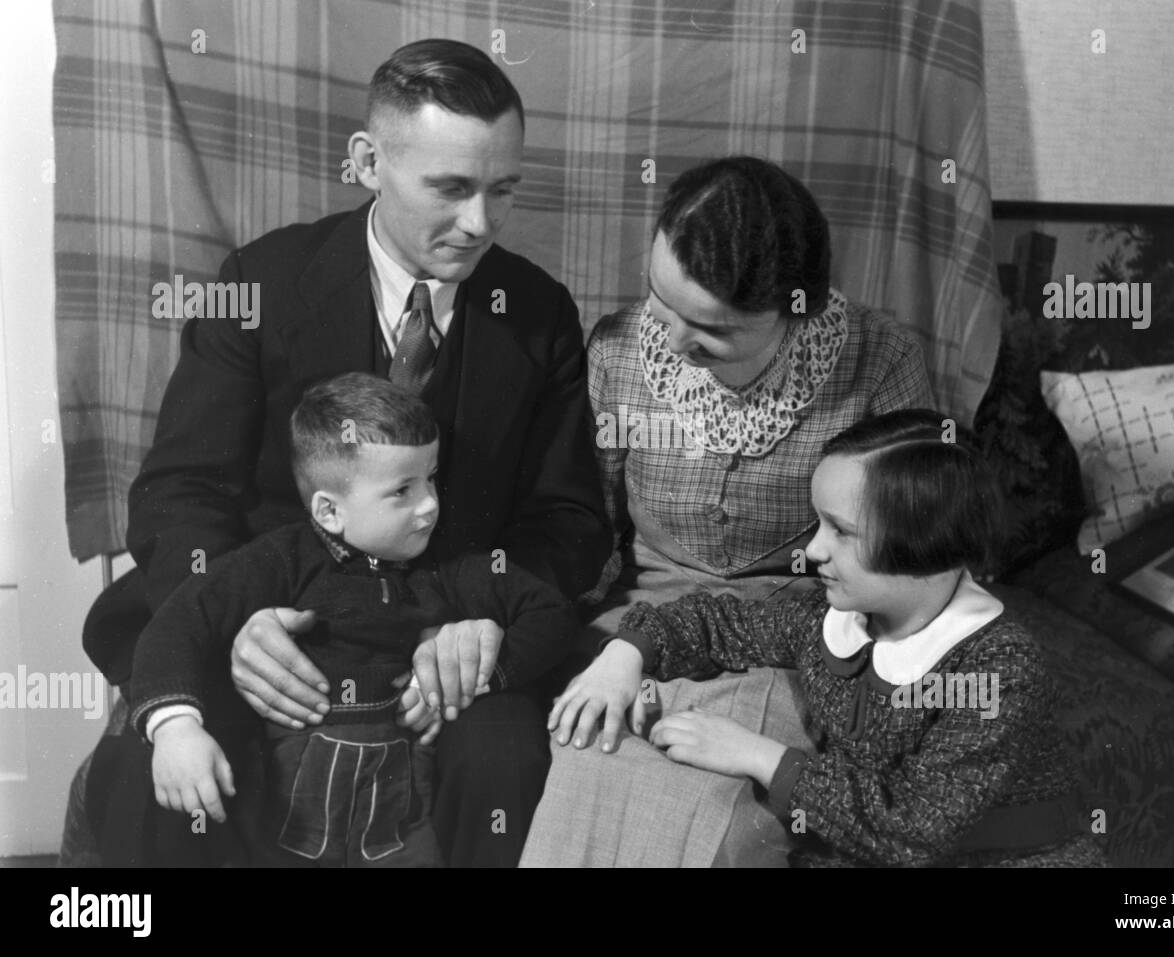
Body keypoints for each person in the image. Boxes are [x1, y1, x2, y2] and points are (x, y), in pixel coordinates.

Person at [81, 39, 608, 867]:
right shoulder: (257, 281)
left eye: (502, 189)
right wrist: (237, 620)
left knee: (505, 759)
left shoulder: (538, 312)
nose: (481, 222)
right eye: (451, 188)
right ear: (367, 162)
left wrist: (479, 619)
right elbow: (181, 489)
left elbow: (570, 517)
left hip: (447, 639)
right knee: (142, 773)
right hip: (272, 620)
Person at [520, 156, 933, 866]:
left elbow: (904, 560)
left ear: (793, 311)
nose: (673, 343)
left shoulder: (880, 361)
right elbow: (589, 530)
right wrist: (593, 649)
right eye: (660, 301)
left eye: (709, 331)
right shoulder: (618, 353)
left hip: (797, 639)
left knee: (722, 821)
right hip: (635, 624)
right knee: (589, 759)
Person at [549, 410, 1105, 867]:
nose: (814, 550)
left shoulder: (997, 670)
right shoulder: (828, 619)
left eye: (841, 531)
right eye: (819, 524)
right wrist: (626, 653)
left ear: (927, 543)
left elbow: (913, 830)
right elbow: (720, 624)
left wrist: (758, 755)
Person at [130, 374, 577, 867]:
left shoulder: (450, 569)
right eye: (402, 490)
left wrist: (477, 672)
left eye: (430, 477)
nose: (429, 504)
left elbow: (552, 614)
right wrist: (175, 730)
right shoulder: (280, 560)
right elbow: (178, 624)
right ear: (329, 511)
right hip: (288, 817)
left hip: (401, 823)